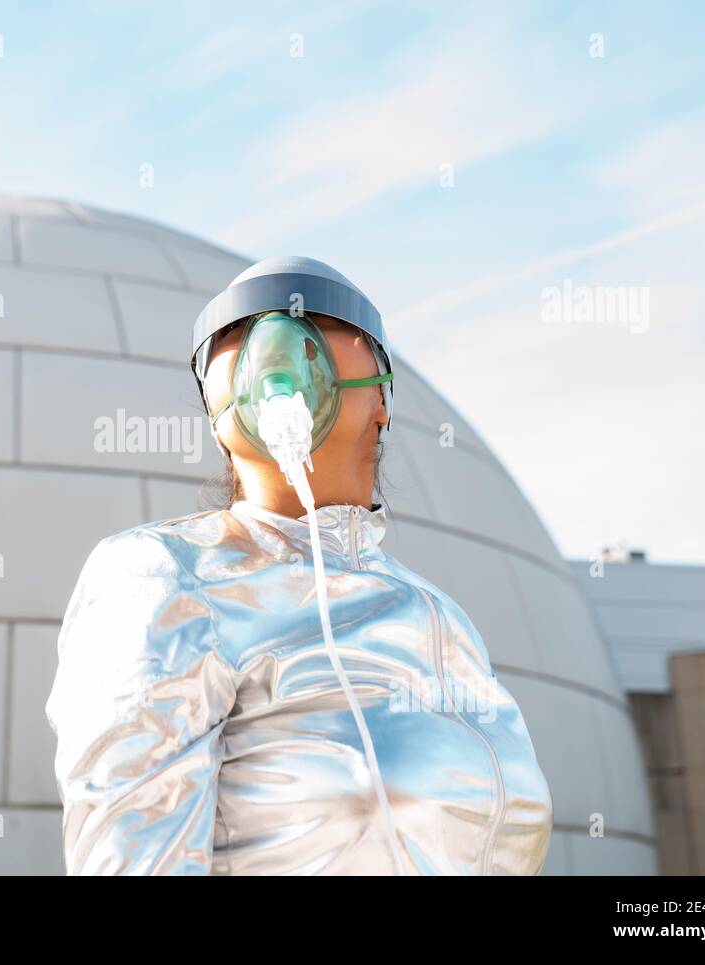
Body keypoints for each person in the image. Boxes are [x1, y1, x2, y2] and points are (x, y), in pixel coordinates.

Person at [44, 256, 553, 875]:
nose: (276, 339)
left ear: (381, 396)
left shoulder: (438, 616)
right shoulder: (164, 577)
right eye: (235, 331)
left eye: (317, 314)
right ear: (216, 406)